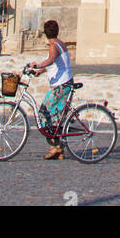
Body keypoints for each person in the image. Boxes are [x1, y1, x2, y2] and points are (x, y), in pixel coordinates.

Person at [30, 19, 74, 159]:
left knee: (44, 114)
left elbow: (52, 59)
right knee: (56, 118)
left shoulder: (53, 45)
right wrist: (41, 71)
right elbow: (56, 64)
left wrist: (36, 65)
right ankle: (58, 149)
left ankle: (55, 147)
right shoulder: (60, 43)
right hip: (65, 83)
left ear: (45, 33)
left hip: (60, 86)